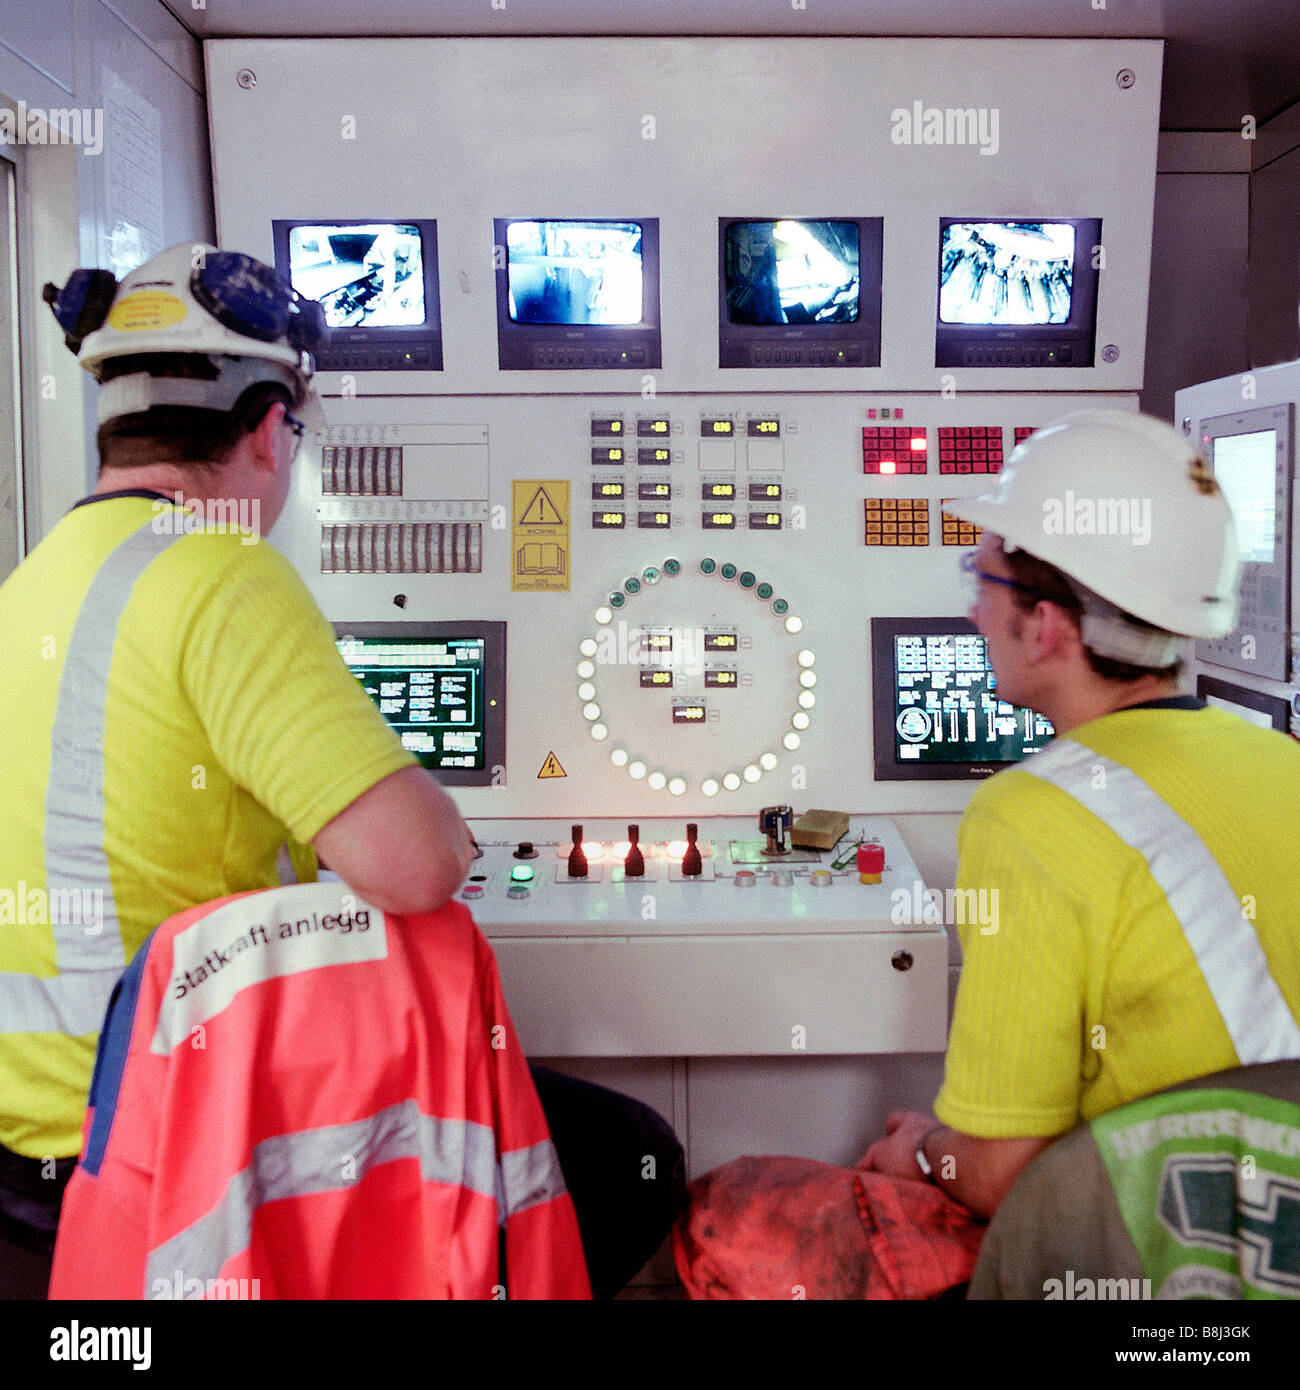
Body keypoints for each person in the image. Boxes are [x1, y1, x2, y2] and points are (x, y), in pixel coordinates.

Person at [2, 244, 681, 1297]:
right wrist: (443, 826)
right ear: (271, 428)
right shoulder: (220, 570)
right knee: (625, 1155)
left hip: (38, 1129)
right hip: (169, 1120)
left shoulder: (31, 587)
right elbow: (415, 868)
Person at [674, 410, 1300, 1298]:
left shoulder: (1029, 813)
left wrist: (921, 1151)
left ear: (1045, 624)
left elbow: (1004, 1175)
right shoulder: (1281, 760)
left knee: (730, 1212)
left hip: (1168, 1261)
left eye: (985, 575)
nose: (973, 606)